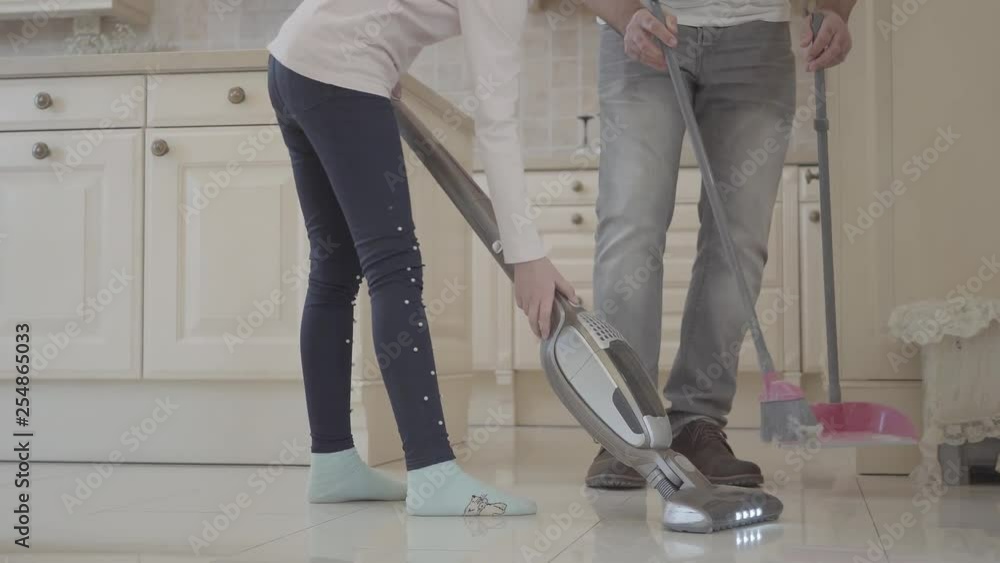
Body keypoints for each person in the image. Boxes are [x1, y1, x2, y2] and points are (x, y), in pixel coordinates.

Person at [267, 0, 575, 516]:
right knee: (394, 267)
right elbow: (496, 122)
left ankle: (333, 461)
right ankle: (433, 472)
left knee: (335, 270)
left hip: (292, 61)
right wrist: (528, 257)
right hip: (341, 70)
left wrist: (386, 67)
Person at [581, 0, 855, 488]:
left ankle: (697, 420)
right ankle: (626, 427)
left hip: (757, 37)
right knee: (632, 228)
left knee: (739, 241)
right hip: (645, 24)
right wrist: (623, 15)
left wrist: (835, 9)